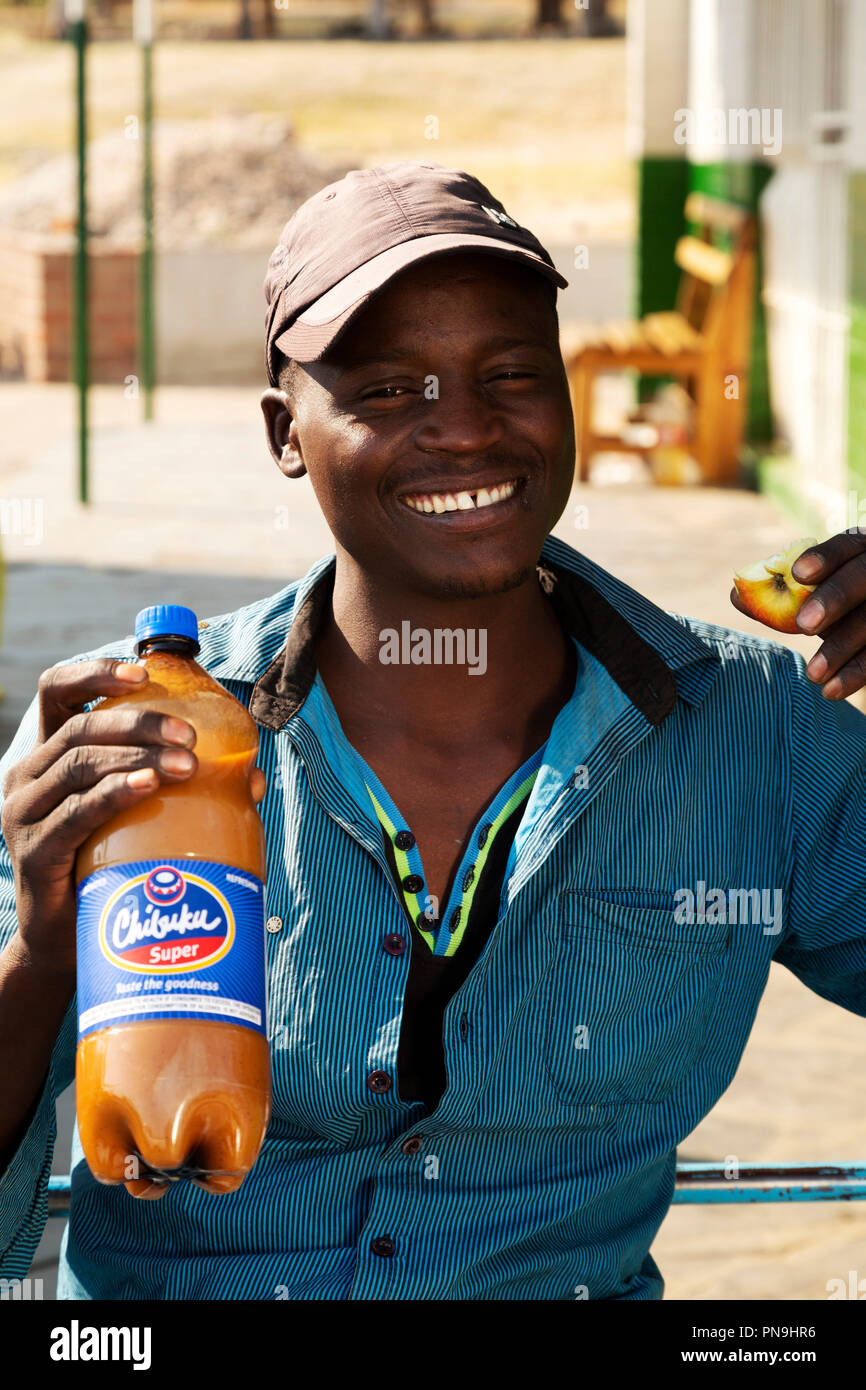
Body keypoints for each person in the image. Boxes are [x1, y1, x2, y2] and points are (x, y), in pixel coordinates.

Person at [0, 161, 864, 1300]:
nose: (463, 429)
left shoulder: (761, 734)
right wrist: (45, 946)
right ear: (285, 433)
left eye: (508, 373)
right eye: (390, 388)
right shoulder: (134, 741)